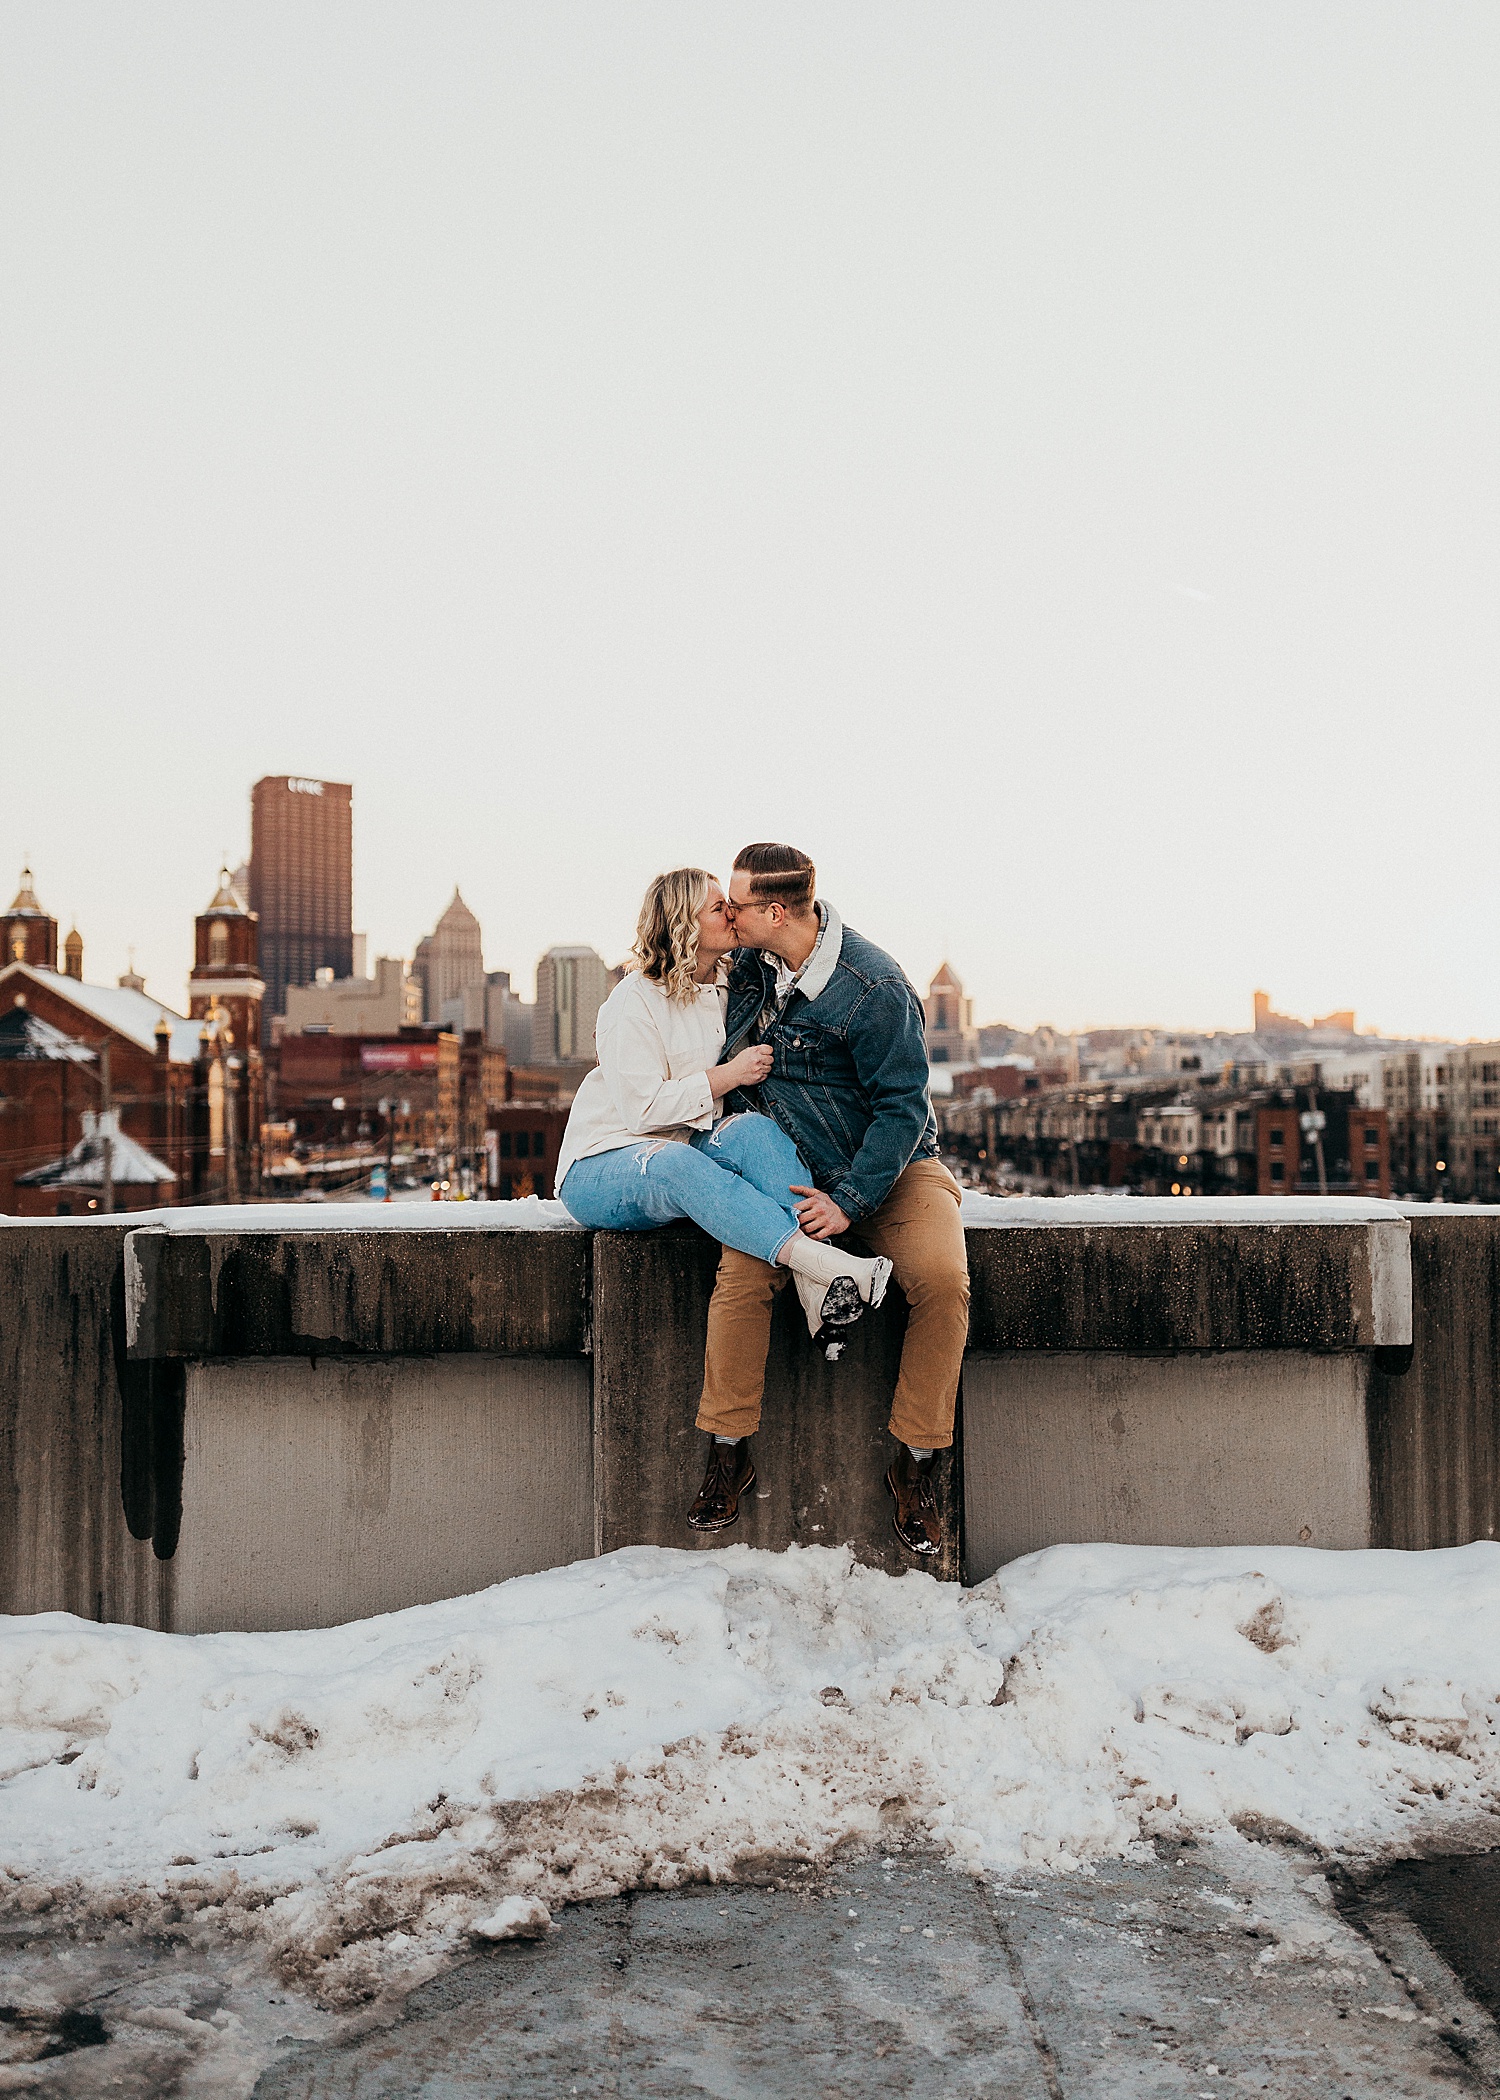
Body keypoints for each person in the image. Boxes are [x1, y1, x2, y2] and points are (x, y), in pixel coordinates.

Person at [556, 870, 894, 1487]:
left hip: (686, 1138)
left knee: (758, 1134)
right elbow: (640, 1113)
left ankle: (819, 1275)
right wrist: (728, 1076)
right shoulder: (631, 1001)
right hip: (607, 1163)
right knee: (683, 1163)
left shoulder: (727, 986)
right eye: (719, 908)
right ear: (687, 922)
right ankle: (817, 1266)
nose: (733, 915)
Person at [689, 842, 970, 1557]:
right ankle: (728, 1450)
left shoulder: (873, 986)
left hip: (893, 1169)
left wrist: (848, 1200)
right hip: (791, 1171)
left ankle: (916, 1462)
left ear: (775, 911)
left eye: (738, 902)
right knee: (743, 1273)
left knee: (942, 1282)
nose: (727, 911)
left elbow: (905, 1109)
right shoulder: (750, 965)